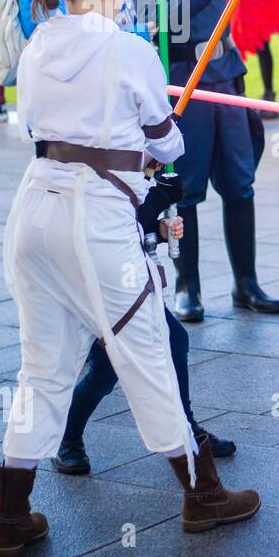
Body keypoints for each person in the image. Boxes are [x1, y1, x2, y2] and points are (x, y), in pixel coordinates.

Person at [0, 0, 259, 557]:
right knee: (147, 359)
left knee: (42, 368)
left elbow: (37, 124)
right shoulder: (130, 50)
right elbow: (169, 143)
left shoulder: (36, 46)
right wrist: (154, 143)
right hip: (96, 221)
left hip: (32, 212)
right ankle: (203, 495)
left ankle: (10, 518)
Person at [126, 0, 279, 323]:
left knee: (240, 182)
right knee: (188, 188)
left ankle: (246, 284)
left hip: (226, 79)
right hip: (184, 82)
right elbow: (155, 24)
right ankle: (187, 287)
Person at [52, 172, 237, 474]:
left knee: (174, 341)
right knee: (106, 368)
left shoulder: (140, 168)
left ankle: (186, 428)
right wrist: (158, 200)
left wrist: (160, 230)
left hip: (134, 284)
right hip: (100, 284)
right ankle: (66, 437)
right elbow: (111, 224)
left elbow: (137, 228)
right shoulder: (100, 160)